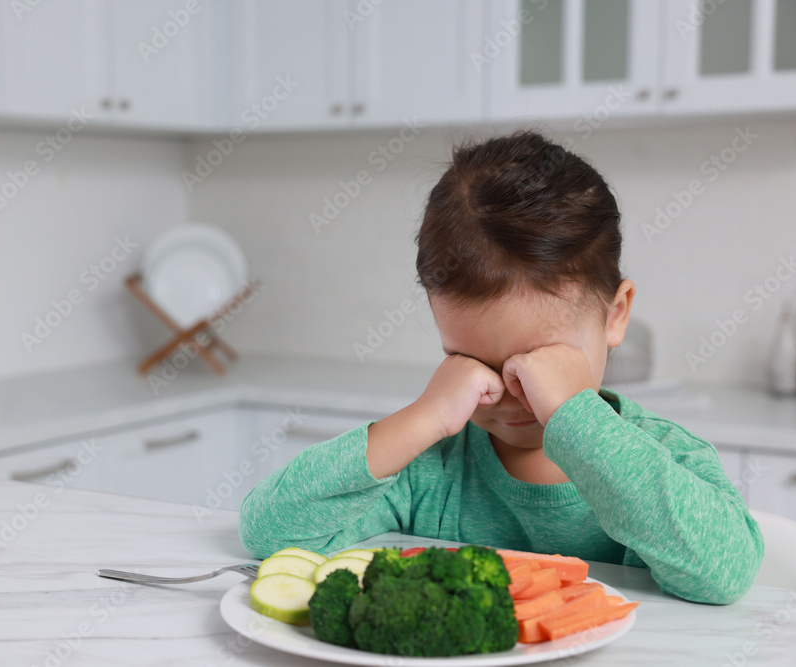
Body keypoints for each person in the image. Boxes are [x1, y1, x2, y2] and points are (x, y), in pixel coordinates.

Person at [239, 131, 763, 605]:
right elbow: (269, 533)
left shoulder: (665, 459)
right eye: (466, 360)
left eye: (537, 362)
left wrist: (577, 418)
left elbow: (725, 573)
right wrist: (421, 419)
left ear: (616, 315)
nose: (509, 393)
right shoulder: (429, 470)